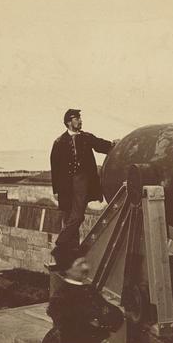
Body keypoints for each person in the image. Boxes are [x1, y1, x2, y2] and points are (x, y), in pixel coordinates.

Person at [50, 109, 116, 263]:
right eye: (76, 118)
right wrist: (56, 190)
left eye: (80, 118)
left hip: (82, 181)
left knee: (77, 216)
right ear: (68, 122)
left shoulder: (86, 137)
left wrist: (114, 144)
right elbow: (55, 167)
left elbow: (103, 146)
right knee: (69, 217)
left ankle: (60, 244)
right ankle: (71, 252)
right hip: (65, 185)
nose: (80, 121)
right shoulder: (59, 142)